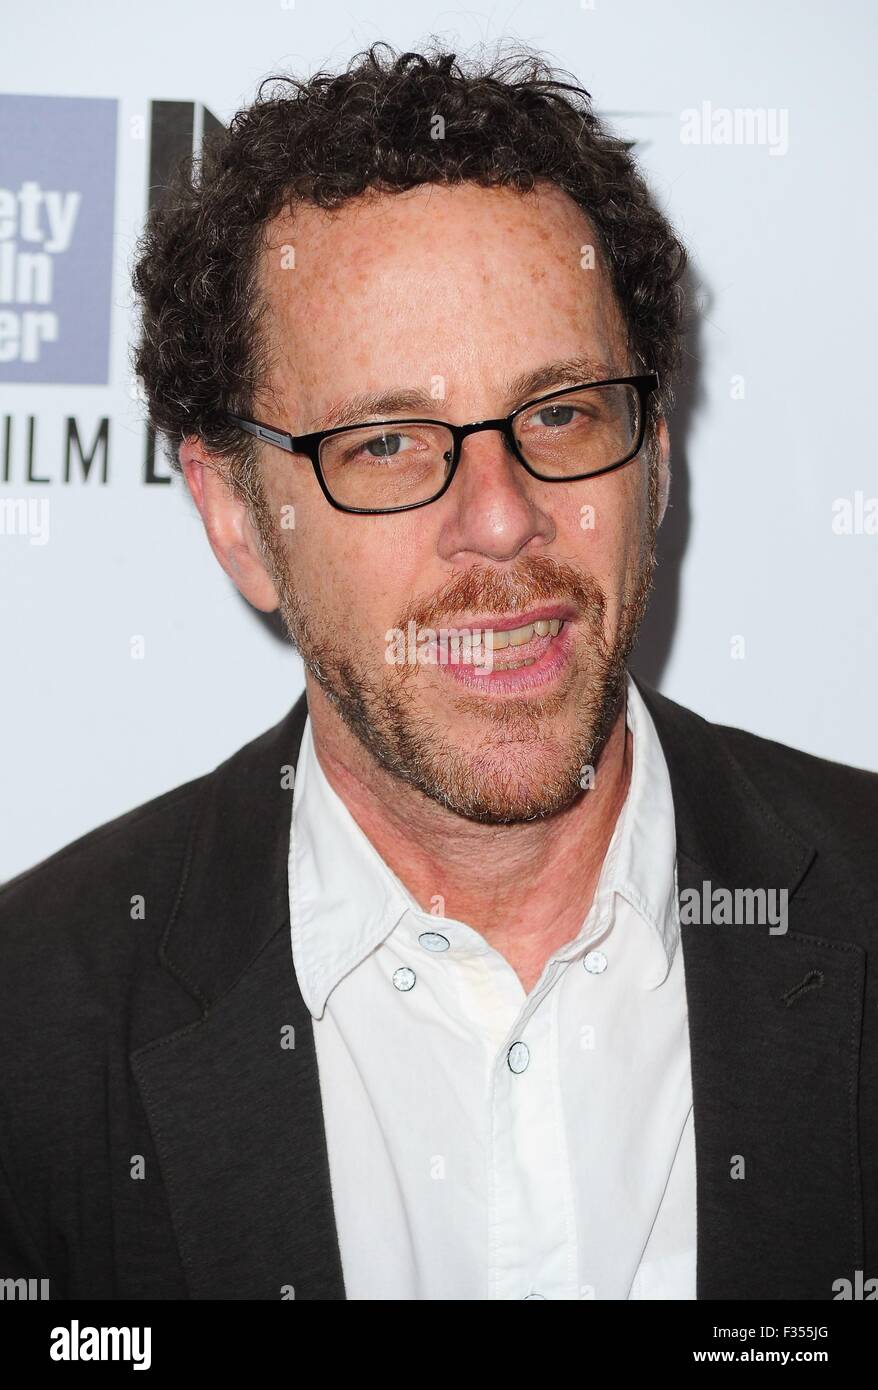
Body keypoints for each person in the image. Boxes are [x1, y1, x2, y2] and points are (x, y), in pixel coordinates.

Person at [1, 43, 875, 1302]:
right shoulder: (33, 1033)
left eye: (563, 411)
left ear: (657, 460)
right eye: (388, 442)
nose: (502, 517)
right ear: (238, 519)